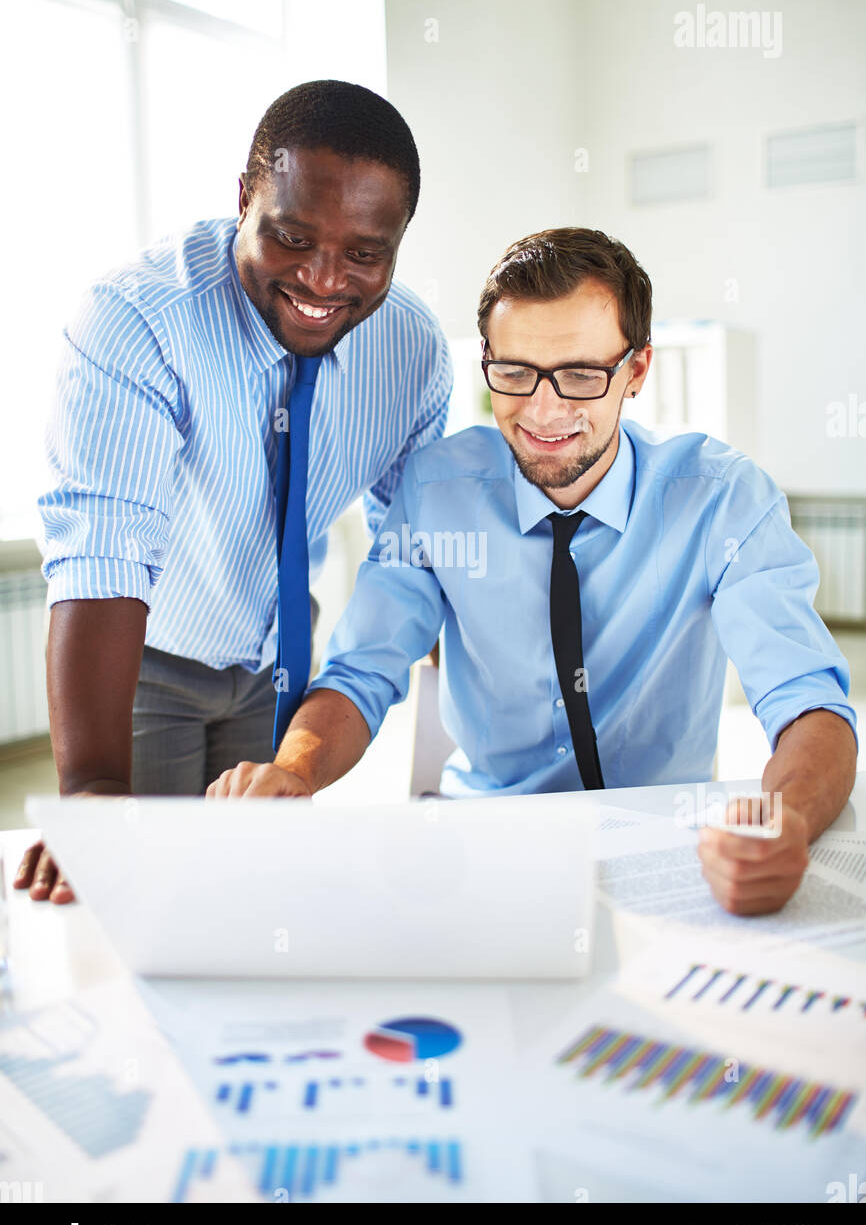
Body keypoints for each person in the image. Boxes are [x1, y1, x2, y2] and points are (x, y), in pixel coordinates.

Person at [209, 227, 858, 917]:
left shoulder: (722, 498)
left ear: (637, 371)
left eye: (580, 375)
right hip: (485, 848)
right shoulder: (436, 491)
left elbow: (808, 703)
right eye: (516, 374)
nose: (544, 413)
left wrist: (784, 819)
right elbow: (359, 674)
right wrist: (293, 770)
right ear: (487, 362)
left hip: (666, 849)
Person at [15, 80, 452, 904]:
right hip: (145, 662)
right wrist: (94, 799)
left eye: (364, 253)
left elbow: (412, 556)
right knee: (135, 897)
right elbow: (103, 551)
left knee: (253, 897)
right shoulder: (140, 317)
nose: (324, 280)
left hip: (281, 668)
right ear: (245, 197)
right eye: (291, 237)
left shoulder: (414, 356)